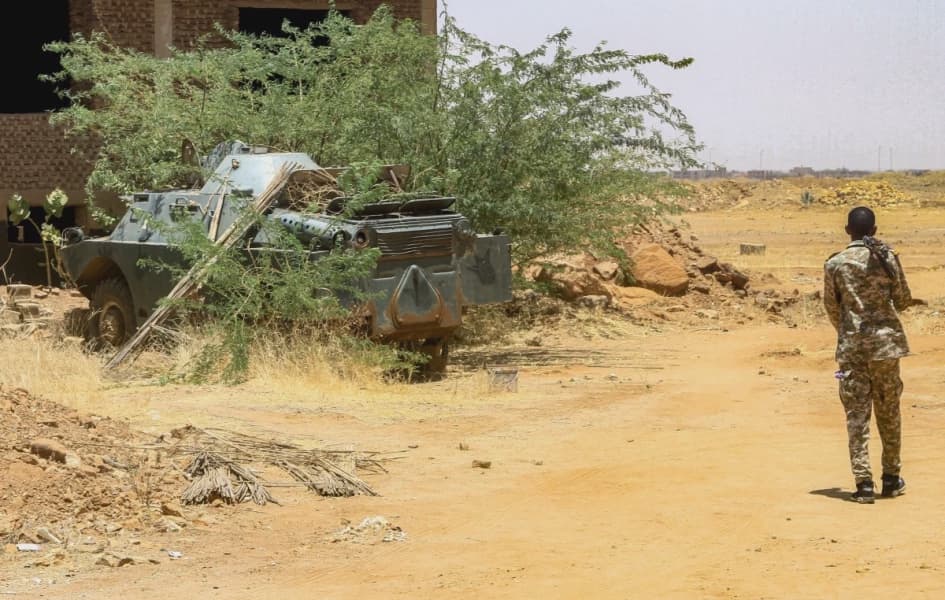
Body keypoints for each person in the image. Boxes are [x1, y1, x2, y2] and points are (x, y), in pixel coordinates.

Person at [823, 206, 911, 504]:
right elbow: (902, 299)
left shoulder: (836, 263)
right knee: (889, 412)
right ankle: (890, 478)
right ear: (873, 230)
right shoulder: (886, 257)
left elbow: (831, 307)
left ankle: (863, 484)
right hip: (886, 348)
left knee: (856, 415)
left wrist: (848, 331)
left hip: (853, 351)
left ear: (848, 230)